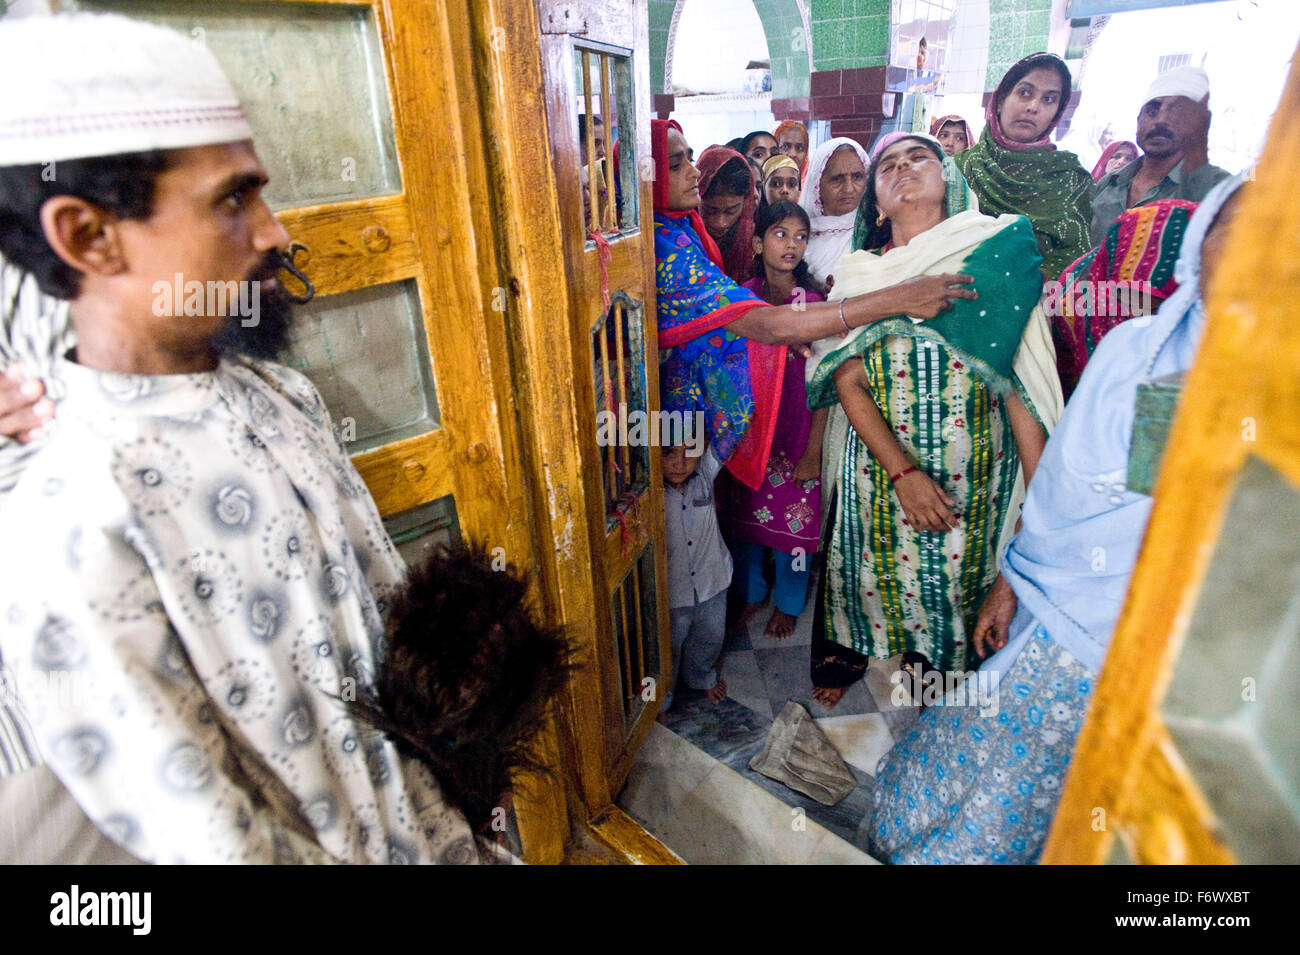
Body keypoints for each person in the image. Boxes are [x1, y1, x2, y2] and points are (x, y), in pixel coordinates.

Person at [0, 12, 534, 865]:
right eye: (232, 200)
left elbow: (390, 639)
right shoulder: (70, 518)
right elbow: (210, 840)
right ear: (88, 236)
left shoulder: (281, 395)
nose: (276, 232)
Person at [868, 174, 1245, 865]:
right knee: (992, 748)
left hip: (1168, 660)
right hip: (1065, 622)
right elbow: (1097, 502)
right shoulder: (1149, 354)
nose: (1264, 251)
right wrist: (1015, 577)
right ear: (1203, 241)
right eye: (1242, 227)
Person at [805, 132, 1062, 708]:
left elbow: (1025, 393)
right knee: (883, 589)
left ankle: (936, 707)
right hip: (881, 476)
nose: (903, 168)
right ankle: (872, 669)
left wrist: (1038, 510)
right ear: (876, 204)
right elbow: (848, 380)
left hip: (975, 485)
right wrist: (903, 474)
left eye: (919, 157)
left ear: (951, 179)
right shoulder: (860, 275)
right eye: (887, 166)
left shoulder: (995, 251)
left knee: (954, 605)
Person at [651, 119, 979, 492]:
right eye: (675, 165)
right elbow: (764, 324)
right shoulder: (666, 244)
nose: (693, 172)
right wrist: (898, 298)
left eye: (689, 158)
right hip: (671, 421)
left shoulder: (683, 227)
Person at [723, 201, 826, 641]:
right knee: (744, 522)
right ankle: (751, 594)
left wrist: (814, 449)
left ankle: (788, 602)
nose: (791, 244)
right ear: (758, 241)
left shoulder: (816, 303)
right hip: (752, 434)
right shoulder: (740, 297)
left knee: (796, 527)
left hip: (798, 431)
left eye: (801, 236)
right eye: (781, 234)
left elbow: (825, 384)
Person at [954, 52, 1094, 281]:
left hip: (1041, 309)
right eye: (1024, 93)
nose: (1033, 107)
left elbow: (1077, 266)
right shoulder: (957, 169)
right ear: (1000, 101)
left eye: (1048, 99)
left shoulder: (1071, 180)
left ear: (1056, 114)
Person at [1050, 199, 1197, 399]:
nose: (1138, 312)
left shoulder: (1209, 295)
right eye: (1127, 300)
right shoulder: (1083, 302)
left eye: (1155, 307)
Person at [1090, 67, 1230, 246]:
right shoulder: (1109, 183)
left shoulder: (1217, 189)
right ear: (1139, 120)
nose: (1161, 121)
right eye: (1152, 111)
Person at [662, 439, 730, 709]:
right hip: (672, 592)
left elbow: (731, 431)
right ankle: (662, 699)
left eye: (689, 452)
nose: (679, 463)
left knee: (710, 636)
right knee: (669, 646)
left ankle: (701, 677)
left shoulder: (704, 473)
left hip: (712, 581)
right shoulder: (647, 493)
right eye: (667, 453)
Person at [799, 137, 872, 290]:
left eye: (857, 176)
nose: (849, 188)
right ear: (817, 185)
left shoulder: (875, 232)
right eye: (837, 179)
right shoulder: (797, 237)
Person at [696, 145, 758, 283]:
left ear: (746, 201)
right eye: (710, 210)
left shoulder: (758, 240)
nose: (720, 223)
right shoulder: (682, 236)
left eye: (731, 211)